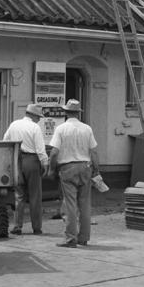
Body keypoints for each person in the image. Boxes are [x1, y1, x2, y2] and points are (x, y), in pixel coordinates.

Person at [49, 98, 99, 248]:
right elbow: (94, 152)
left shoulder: (61, 129)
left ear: (66, 112)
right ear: (78, 113)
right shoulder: (87, 128)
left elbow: (53, 152)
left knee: (70, 204)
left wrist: (52, 169)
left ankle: (71, 239)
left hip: (67, 168)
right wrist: (96, 169)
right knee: (84, 203)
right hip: (85, 167)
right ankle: (84, 238)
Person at [2, 103, 49, 235]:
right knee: (35, 196)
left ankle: (17, 226)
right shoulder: (35, 128)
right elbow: (40, 149)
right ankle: (36, 227)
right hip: (32, 161)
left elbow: (5, 141)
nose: (39, 119)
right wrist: (45, 164)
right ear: (33, 115)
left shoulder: (14, 124)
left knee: (19, 195)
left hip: (17, 160)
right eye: (38, 116)